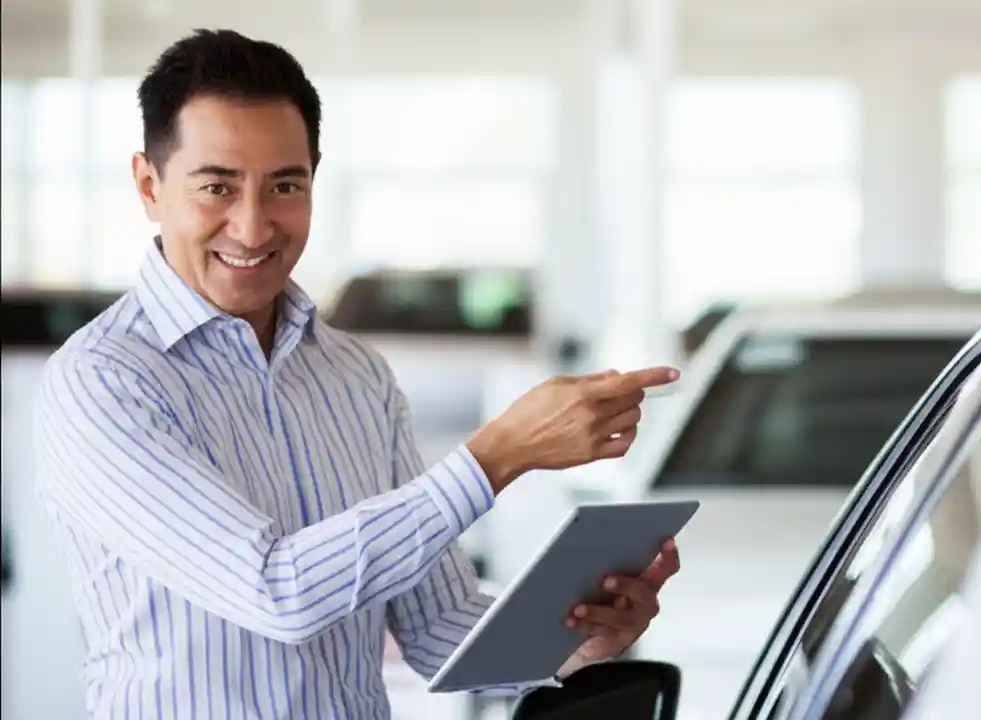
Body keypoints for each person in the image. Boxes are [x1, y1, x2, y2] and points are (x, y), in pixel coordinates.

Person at [34, 28, 681, 719]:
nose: (252, 228)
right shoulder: (102, 383)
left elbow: (438, 629)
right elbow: (275, 593)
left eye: (285, 185)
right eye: (217, 187)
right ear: (148, 185)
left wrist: (580, 641)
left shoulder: (354, 375)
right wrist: (499, 455)